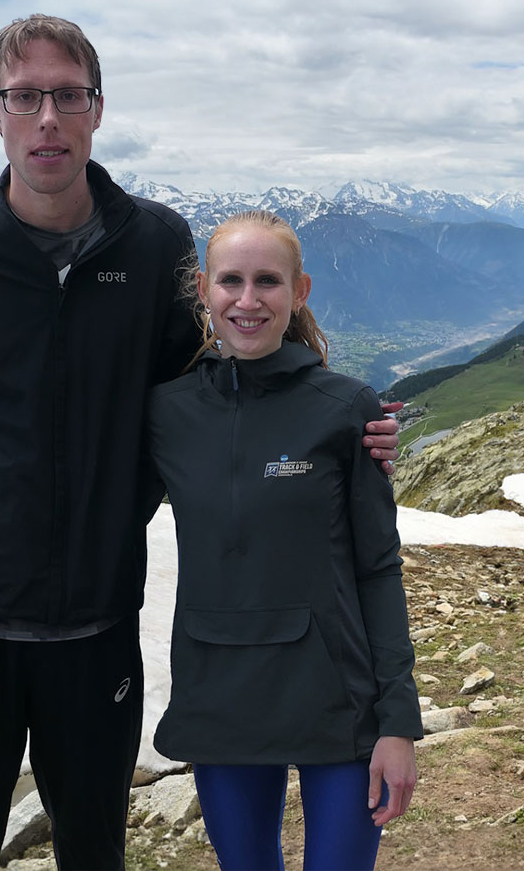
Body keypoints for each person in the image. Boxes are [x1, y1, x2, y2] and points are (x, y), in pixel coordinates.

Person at [0, 16, 401, 870]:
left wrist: (342, 429)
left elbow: (207, 381)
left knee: (96, 857)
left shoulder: (153, 244)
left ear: (96, 110)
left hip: (96, 627)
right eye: (25, 96)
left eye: (67, 96)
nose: (47, 116)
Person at [145, 210, 423, 871]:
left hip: (337, 696)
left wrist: (399, 722)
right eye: (230, 281)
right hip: (221, 696)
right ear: (203, 290)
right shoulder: (164, 412)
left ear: (298, 292)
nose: (247, 300)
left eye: (267, 281)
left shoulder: (346, 407)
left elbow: (378, 569)